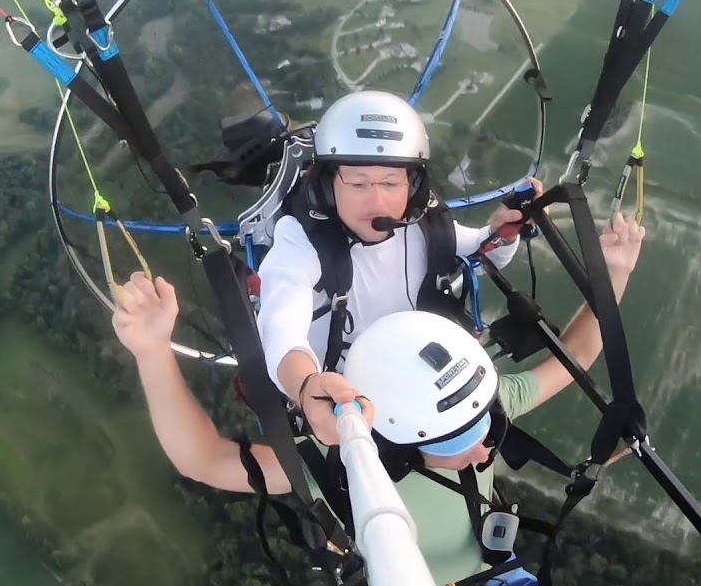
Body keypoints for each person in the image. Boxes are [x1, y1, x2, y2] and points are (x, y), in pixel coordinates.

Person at [112, 213, 646, 586]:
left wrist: (613, 272)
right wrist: (151, 350)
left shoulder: (482, 401)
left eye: (487, 432)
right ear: (394, 432)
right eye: (463, 442)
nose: (485, 452)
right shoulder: (342, 458)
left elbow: (573, 355)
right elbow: (203, 460)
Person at [256, 89, 543, 445]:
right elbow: (279, 326)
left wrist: (502, 232)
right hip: (347, 403)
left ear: (414, 185)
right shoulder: (301, 240)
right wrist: (305, 386)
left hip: (416, 383)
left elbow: (481, 258)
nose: (377, 200)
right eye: (358, 183)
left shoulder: (421, 224)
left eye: (391, 183)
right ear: (328, 185)